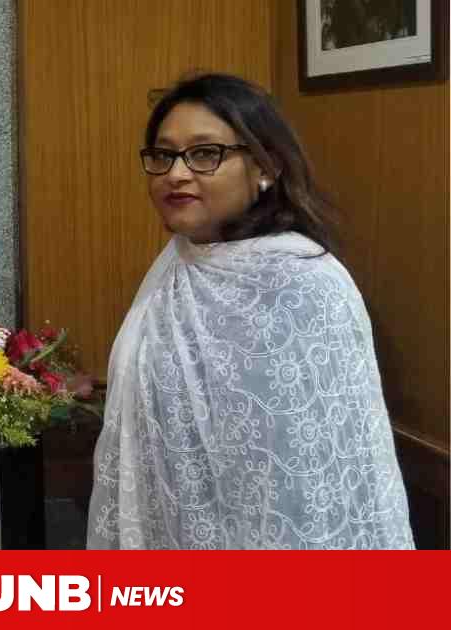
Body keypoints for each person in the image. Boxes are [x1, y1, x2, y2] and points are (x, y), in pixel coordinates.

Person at [88, 74, 413, 549]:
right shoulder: (178, 264)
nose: (176, 174)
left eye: (205, 153)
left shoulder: (305, 284)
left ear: (266, 166)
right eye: (163, 155)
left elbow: (314, 475)